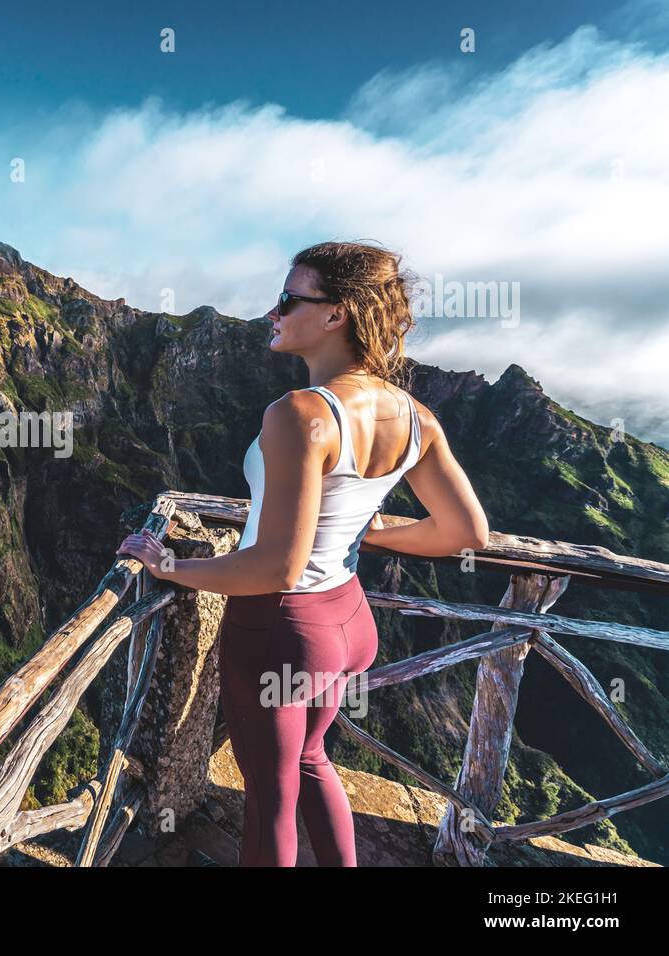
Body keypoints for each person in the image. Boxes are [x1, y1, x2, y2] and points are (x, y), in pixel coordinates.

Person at [116, 240, 489, 866]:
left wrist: (169, 567)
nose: (273, 311)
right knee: (312, 760)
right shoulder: (416, 416)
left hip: (281, 627)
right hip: (348, 621)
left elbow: (275, 567)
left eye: (290, 299)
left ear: (336, 314)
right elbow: (466, 533)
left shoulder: (300, 415)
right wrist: (366, 534)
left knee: (270, 795)